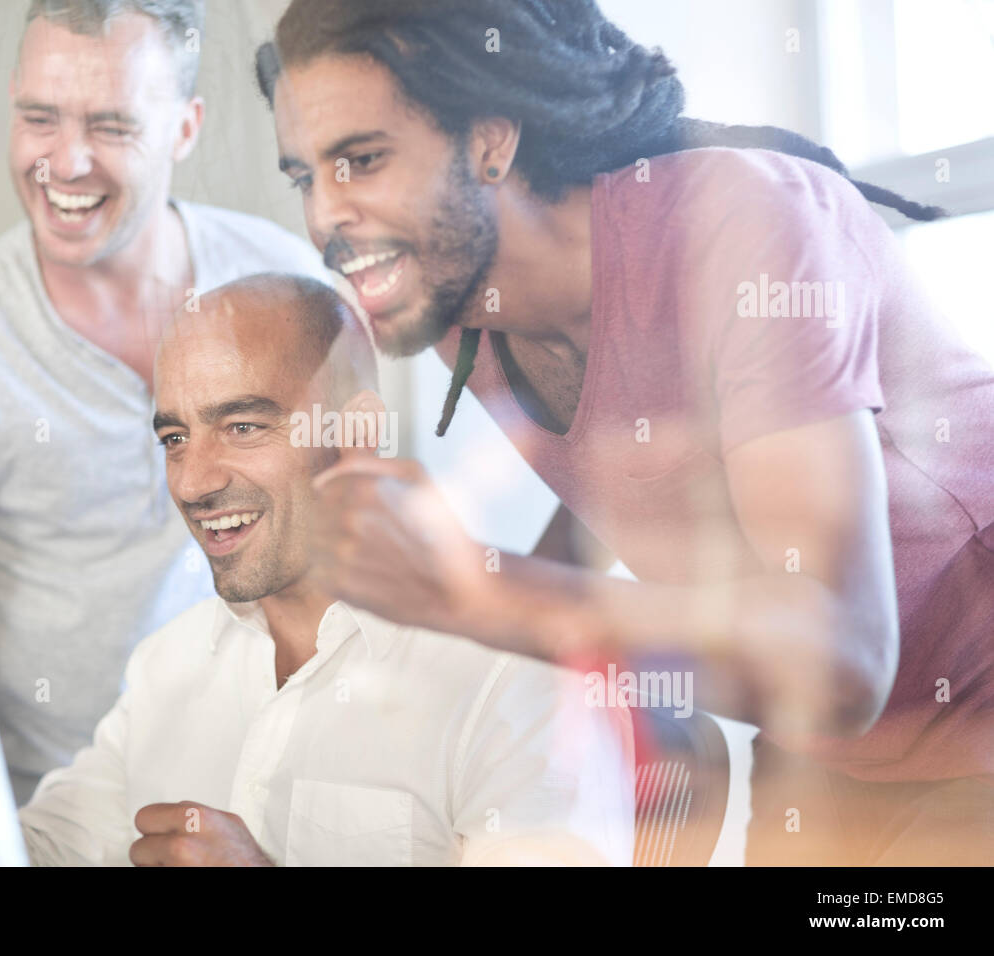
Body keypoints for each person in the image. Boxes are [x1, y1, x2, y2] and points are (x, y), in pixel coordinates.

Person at [255, 0, 994, 864]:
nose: (324, 219)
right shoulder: (463, 310)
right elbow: (623, 484)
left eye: (362, 159)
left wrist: (480, 593)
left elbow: (843, 661)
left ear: (492, 142)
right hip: (824, 751)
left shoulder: (744, 228)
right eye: (307, 176)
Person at [18, 274, 635, 866]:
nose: (194, 481)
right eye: (175, 437)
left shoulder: (514, 682)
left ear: (357, 432)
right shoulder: (165, 667)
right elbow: (34, 850)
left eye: (242, 427)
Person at [0, 0, 329, 804]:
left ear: (185, 129)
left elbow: (353, 539)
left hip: (272, 793)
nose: (66, 161)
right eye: (40, 117)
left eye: (113, 126)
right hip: (52, 811)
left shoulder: (289, 286)